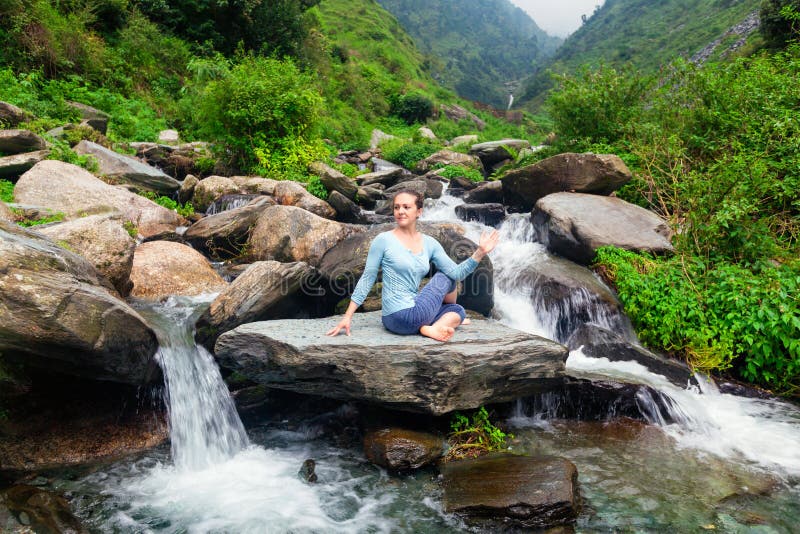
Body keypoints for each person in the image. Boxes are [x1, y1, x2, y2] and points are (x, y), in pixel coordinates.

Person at [326, 189, 499, 342]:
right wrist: (347, 316)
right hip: (402, 315)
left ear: (419, 211)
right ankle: (430, 326)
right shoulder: (384, 240)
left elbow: (458, 274)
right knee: (446, 276)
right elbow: (368, 277)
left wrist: (481, 251)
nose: (400, 211)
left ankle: (430, 325)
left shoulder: (429, 243)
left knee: (459, 311)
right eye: (396, 207)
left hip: (393, 321)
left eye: (406, 207)